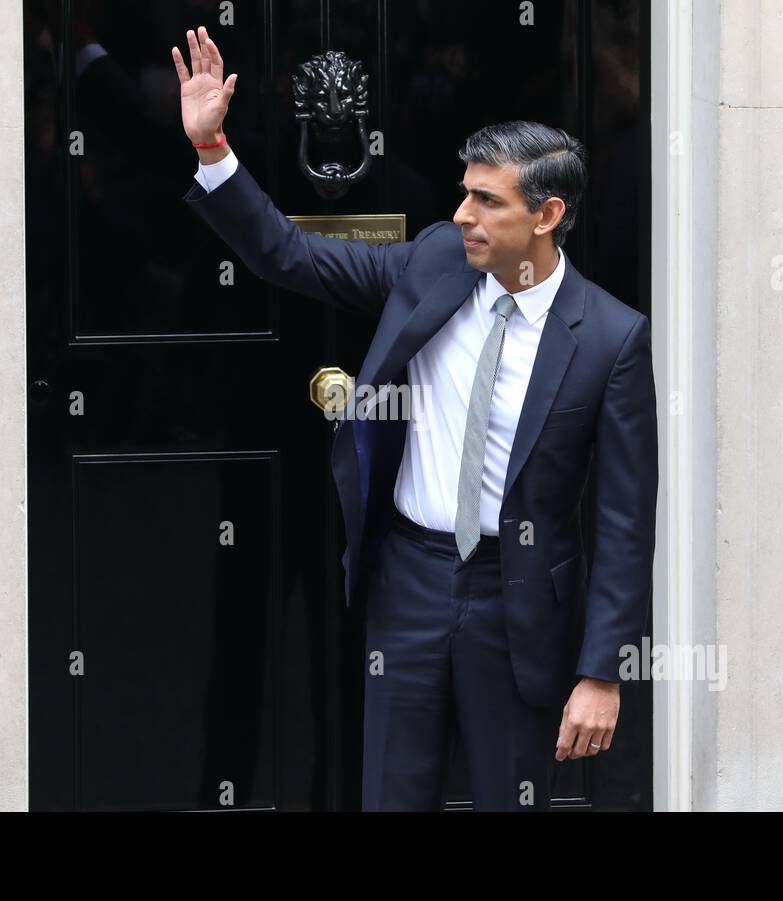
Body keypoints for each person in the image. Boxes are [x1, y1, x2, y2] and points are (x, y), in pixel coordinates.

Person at [174, 26, 657, 811]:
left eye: (485, 200)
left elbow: (626, 522)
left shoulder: (610, 337)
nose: (461, 212)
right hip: (411, 583)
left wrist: (603, 670)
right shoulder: (434, 260)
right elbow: (287, 254)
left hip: (521, 598)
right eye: (464, 192)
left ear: (547, 215)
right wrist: (212, 148)